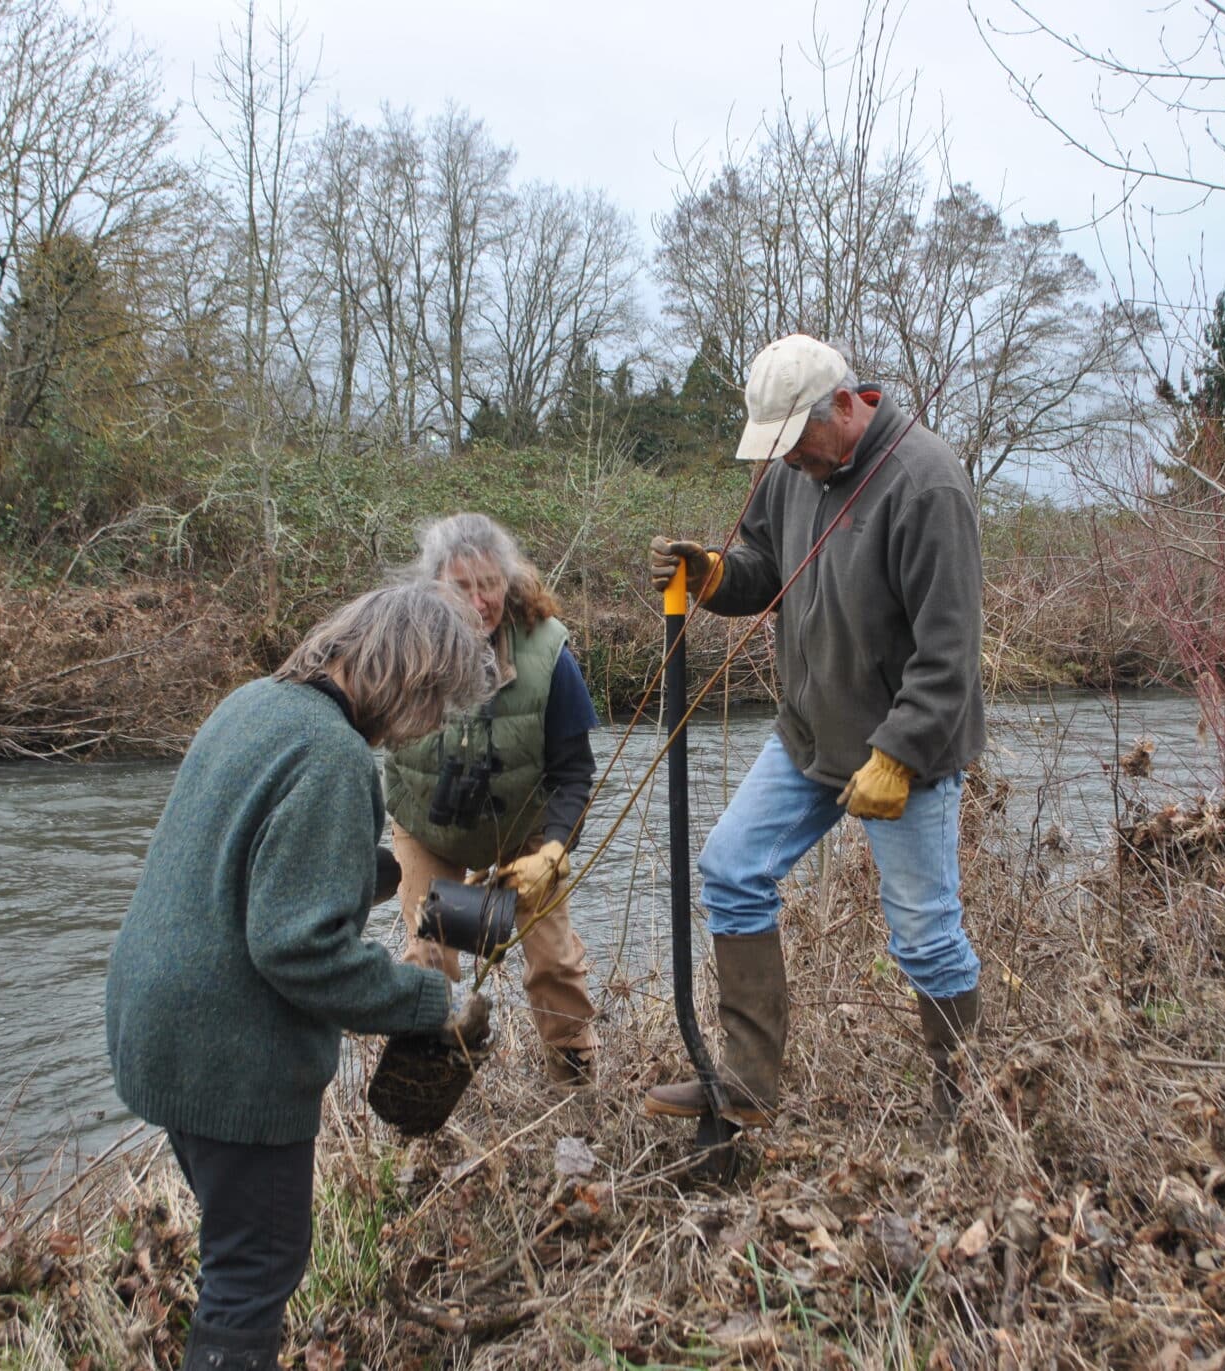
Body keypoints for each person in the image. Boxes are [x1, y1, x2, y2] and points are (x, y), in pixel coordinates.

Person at [105, 582, 496, 1371]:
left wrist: (371, 871)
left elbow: (247, 853)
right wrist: (428, 999)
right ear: (412, 680)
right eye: (436, 706)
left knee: (234, 1250)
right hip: (231, 1053)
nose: (424, 730)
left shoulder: (253, 702)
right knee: (255, 1270)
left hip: (153, 1022)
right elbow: (298, 950)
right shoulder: (334, 754)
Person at [645, 333, 986, 1138]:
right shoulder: (794, 473)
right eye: (778, 450)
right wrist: (716, 575)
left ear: (845, 405)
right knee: (730, 869)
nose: (792, 462)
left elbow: (950, 654)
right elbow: (767, 565)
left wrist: (898, 753)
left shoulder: (925, 485)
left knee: (926, 936)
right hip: (807, 735)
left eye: (799, 443)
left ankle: (964, 1110)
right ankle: (747, 1081)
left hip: (907, 753)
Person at [382, 513, 604, 1087]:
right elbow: (357, 738)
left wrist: (553, 852)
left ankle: (575, 1088)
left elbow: (575, 772)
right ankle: (425, 1089)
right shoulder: (399, 648)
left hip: (526, 826)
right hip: (429, 822)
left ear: (509, 581)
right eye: (462, 587)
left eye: (490, 585)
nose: (479, 602)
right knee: (428, 954)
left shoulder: (549, 653)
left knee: (554, 961)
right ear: (435, 586)